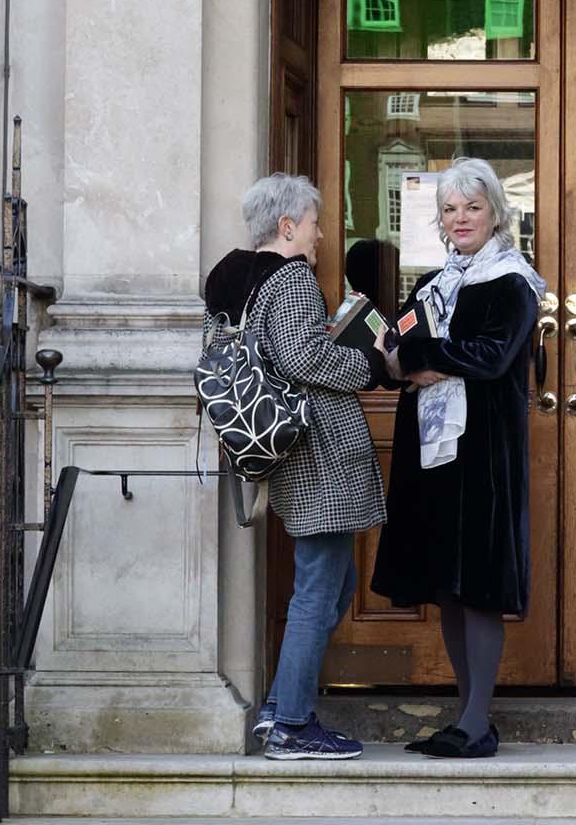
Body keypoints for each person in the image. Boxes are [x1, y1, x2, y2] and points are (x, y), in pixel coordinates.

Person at [203, 173, 390, 761]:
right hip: (318, 453)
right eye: (313, 224)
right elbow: (303, 355)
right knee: (319, 588)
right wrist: (372, 362)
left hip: (281, 446)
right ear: (287, 227)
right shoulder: (290, 280)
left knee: (334, 586)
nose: (319, 237)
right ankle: (291, 725)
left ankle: (282, 704)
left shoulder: (230, 281)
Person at [372, 157, 546, 759]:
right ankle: (466, 717)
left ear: (496, 213)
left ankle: (477, 722)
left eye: (473, 207)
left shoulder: (514, 282)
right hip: (431, 450)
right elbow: (402, 355)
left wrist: (426, 355)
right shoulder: (431, 284)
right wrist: (394, 359)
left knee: (476, 584)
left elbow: (492, 357)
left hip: (483, 454)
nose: (461, 218)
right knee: (446, 584)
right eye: (450, 209)